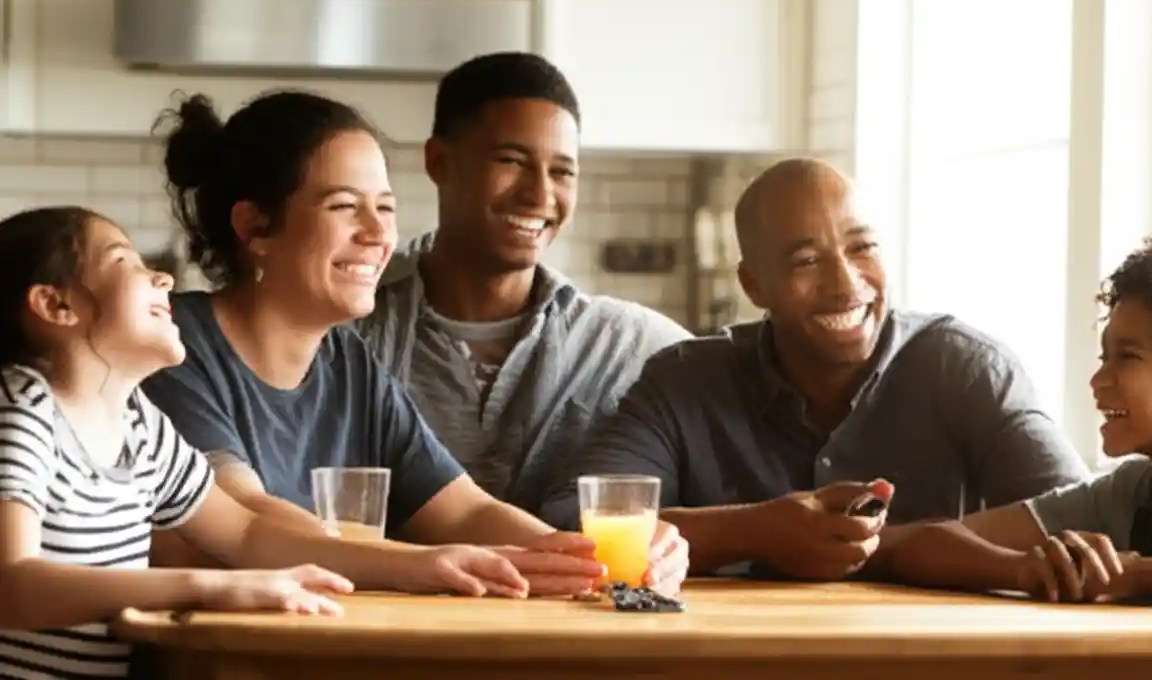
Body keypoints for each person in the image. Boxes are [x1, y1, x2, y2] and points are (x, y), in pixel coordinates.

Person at [139, 90, 683, 596]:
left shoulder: (349, 362)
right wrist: (423, 563)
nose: (378, 235)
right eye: (344, 206)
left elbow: (465, 511)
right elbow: (247, 519)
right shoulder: (173, 348)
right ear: (255, 226)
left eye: (387, 207)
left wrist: (586, 559)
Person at [0, 207, 537, 679]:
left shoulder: (141, 427)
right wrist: (204, 587)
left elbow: (246, 533)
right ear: (56, 305)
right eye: (127, 263)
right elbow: (11, 587)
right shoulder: (22, 412)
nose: (161, 278)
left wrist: (421, 565)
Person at [540, 158, 1089, 580]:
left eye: (862, 247)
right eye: (806, 261)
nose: (846, 283)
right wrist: (754, 530)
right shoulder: (683, 381)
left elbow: (1081, 518)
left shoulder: (965, 368)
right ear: (754, 285)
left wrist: (892, 549)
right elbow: (575, 526)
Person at [357, 53, 691, 516]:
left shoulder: (624, 344)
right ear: (439, 161)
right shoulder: (349, 323)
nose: (539, 194)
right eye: (512, 160)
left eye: (562, 171)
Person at [873, 232, 1152, 610]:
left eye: (1128, 357)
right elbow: (926, 545)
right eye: (1105, 357)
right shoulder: (1127, 493)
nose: (1098, 381)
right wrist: (1021, 569)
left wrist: (1134, 574)